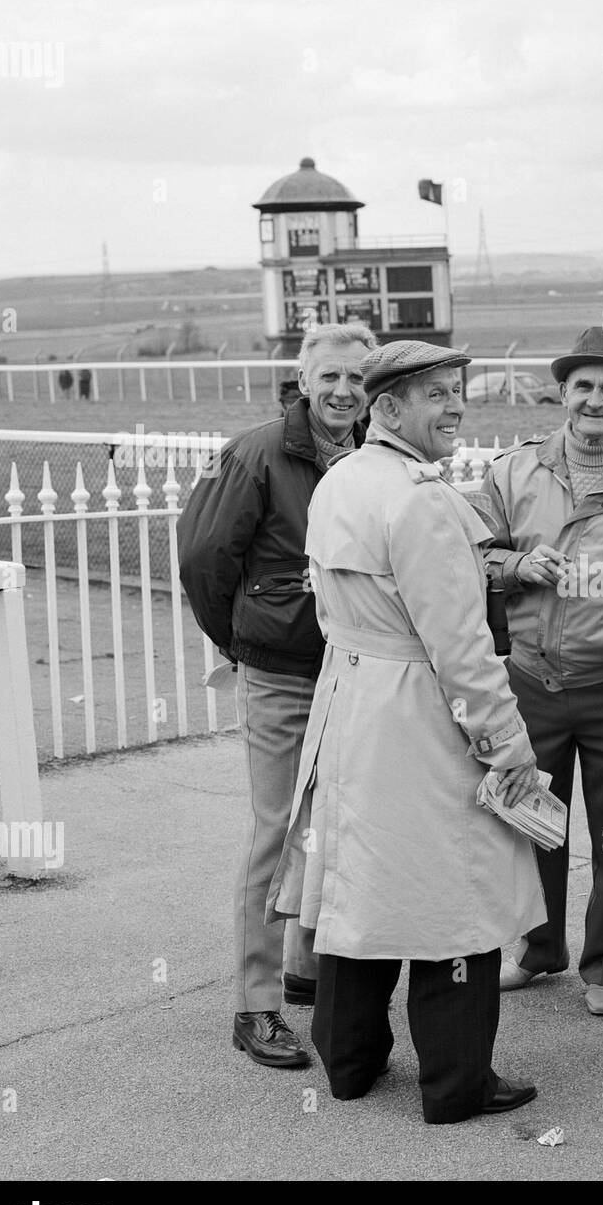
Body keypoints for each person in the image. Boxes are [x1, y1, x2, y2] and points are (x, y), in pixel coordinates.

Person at [267, 340, 544, 1124]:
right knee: (453, 892)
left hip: (351, 699)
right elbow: (460, 647)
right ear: (387, 409)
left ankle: (350, 1062)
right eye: (433, 395)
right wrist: (508, 745)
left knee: (356, 885)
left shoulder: (344, 479)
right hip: (415, 707)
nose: (454, 406)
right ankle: (457, 1082)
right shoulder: (419, 498)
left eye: (456, 390)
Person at [177, 321, 376, 1068]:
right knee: (276, 832)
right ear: (303, 378)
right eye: (330, 376)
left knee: (334, 822)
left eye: (358, 377)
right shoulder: (258, 452)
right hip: (280, 673)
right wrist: (240, 641)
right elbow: (203, 558)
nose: (344, 390)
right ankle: (254, 1004)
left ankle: (306, 966)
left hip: (349, 671)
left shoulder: (369, 456)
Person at [471, 327, 603, 1017]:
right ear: (562, 393)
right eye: (584, 386)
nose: (596, 400)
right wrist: (513, 566)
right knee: (533, 819)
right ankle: (538, 949)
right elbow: (465, 550)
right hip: (532, 683)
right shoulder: (512, 472)